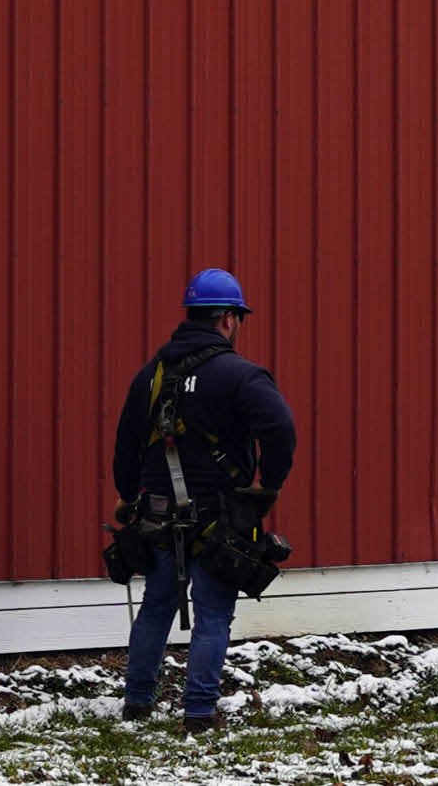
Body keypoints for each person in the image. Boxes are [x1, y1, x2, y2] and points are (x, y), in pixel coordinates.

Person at [107, 266, 296, 730]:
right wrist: (268, 484)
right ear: (228, 319)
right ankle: (198, 712)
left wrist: (127, 496)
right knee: (213, 614)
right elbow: (281, 431)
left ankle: (138, 702)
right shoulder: (242, 376)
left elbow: (126, 443)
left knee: (156, 605)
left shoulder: (150, 375)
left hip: (155, 515)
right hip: (218, 518)